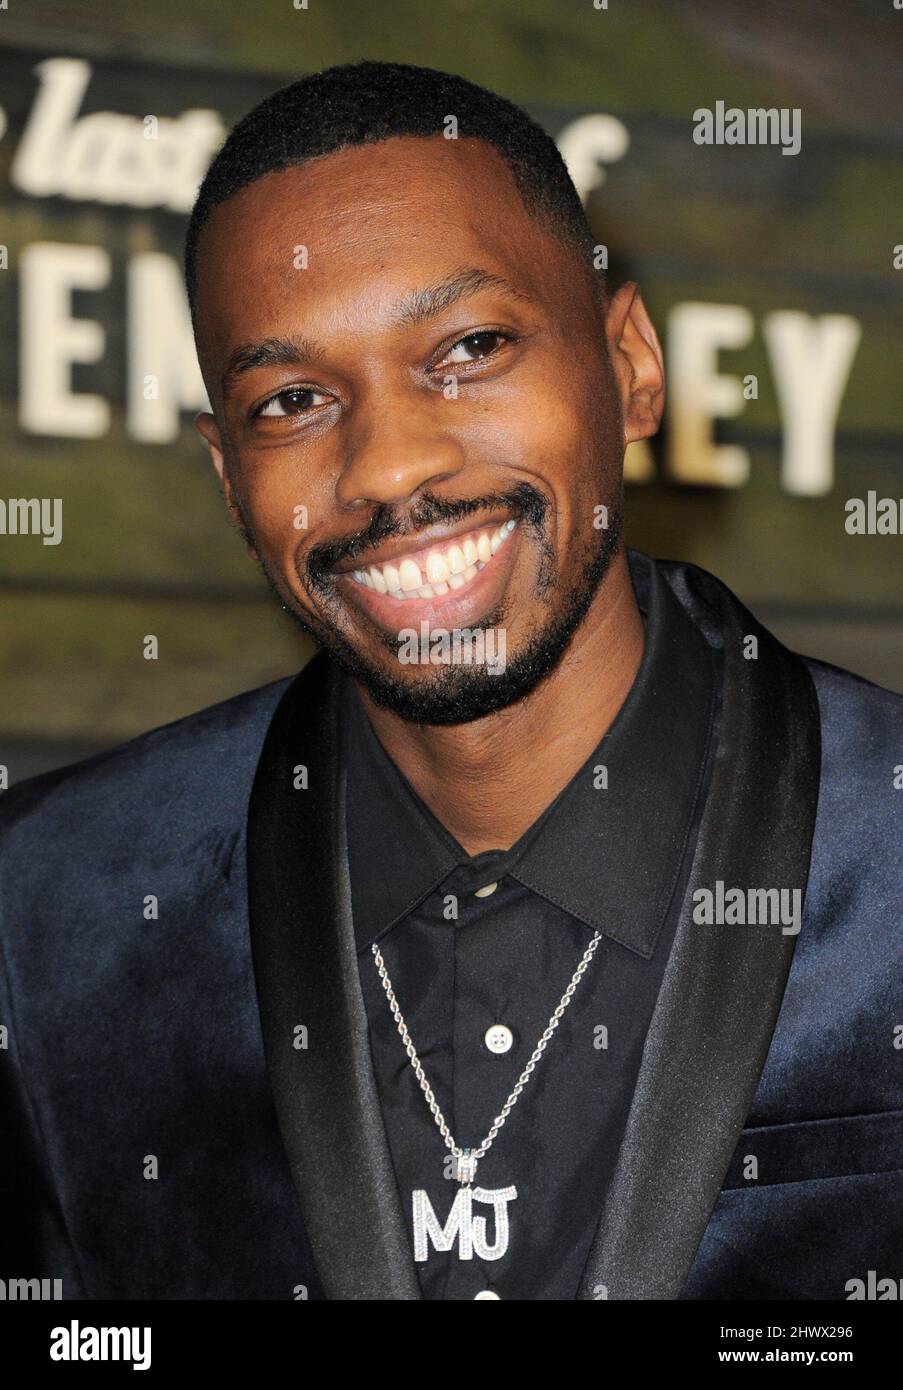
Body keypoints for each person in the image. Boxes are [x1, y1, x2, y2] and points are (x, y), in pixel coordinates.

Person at [1, 60, 900, 1302]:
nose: (388, 467)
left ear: (631, 368)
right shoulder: (48, 908)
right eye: (294, 399)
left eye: (470, 347)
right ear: (225, 477)